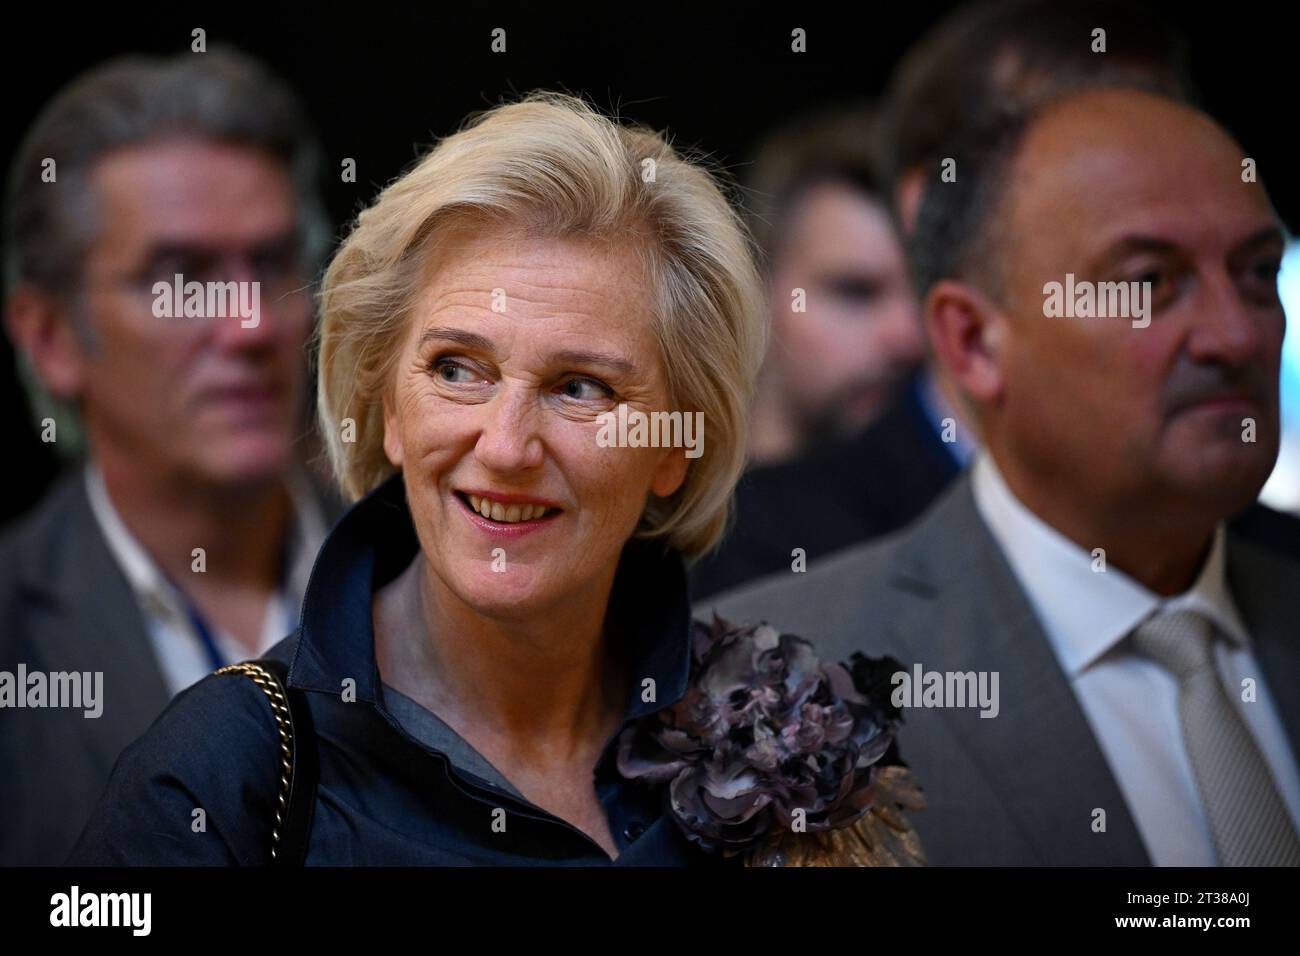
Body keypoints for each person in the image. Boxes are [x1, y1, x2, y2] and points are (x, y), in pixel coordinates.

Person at [68, 94, 914, 867]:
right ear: (388, 409)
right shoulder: (224, 776)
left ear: (676, 444)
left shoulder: (784, 737)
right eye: (457, 369)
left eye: (581, 387)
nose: (506, 446)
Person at [708, 86, 1300, 865]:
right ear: (974, 341)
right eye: (1149, 280)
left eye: (1259, 273)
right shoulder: (785, 676)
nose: (1234, 333)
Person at [0, 49, 338, 865]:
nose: (253, 326)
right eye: (180, 278)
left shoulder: (440, 570)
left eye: (270, 264)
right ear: (51, 336)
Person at [743, 108, 923, 467]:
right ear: (753, 290)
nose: (908, 337)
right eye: (855, 292)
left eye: (925, 296)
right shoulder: (658, 512)